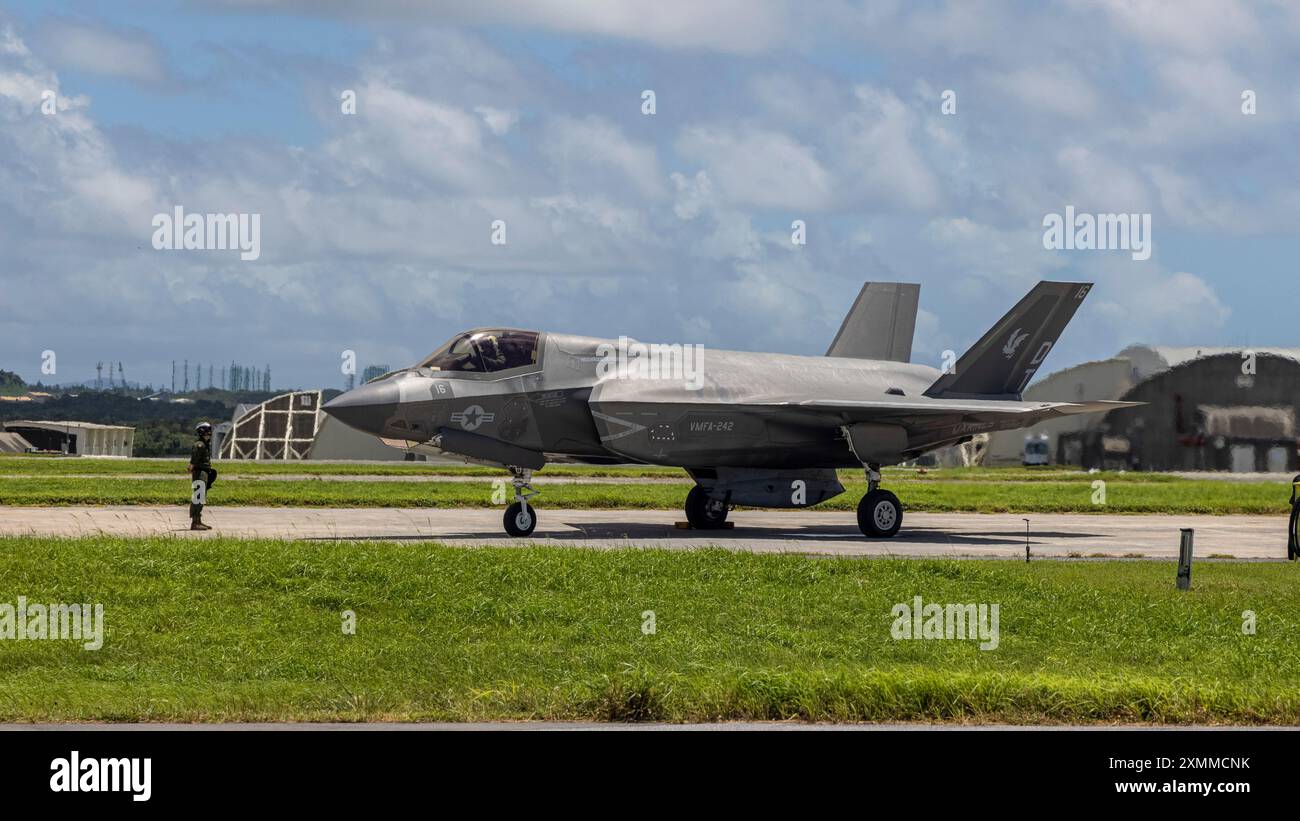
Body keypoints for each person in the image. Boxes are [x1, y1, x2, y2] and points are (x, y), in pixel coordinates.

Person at [188, 421, 218, 530]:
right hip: (199, 472)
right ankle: (195, 522)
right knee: (198, 496)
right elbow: (193, 462)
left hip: (204, 472)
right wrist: (192, 467)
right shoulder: (199, 445)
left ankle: (198, 521)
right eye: (206, 430)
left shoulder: (205, 444)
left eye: (209, 430)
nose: (209, 433)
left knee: (201, 496)